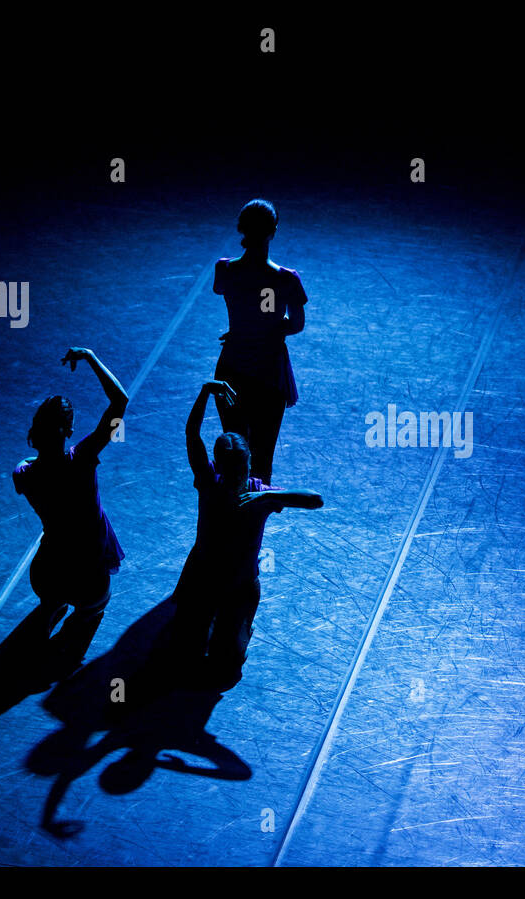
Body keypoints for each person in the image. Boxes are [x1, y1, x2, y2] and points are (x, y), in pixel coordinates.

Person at [168, 379, 323, 690]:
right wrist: (203, 393)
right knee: (186, 653)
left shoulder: (248, 491)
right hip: (206, 580)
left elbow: (314, 499)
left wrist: (267, 497)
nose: (242, 475)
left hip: (235, 586)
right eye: (238, 469)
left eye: (244, 468)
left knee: (226, 664)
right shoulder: (211, 482)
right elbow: (191, 435)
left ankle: (225, 635)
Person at [12, 347, 128, 671]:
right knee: (96, 605)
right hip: (87, 579)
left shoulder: (22, 473)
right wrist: (90, 356)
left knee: (53, 592)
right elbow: (120, 402)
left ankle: (51, 607)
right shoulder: (83, 458)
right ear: (70, 430)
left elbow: (33, 466)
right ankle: (77, 626)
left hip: (46, 574)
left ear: (36, 430)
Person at [212, 198, 308, 484]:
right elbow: (297, 324)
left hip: (233, 365)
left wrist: (246, 328)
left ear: (242, 228)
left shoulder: (224, 270)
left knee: (233, 450)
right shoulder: (287, 280)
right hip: (268, 372)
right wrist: (270, 330)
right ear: (273, 231)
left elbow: (226, 293)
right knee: (262, 454)